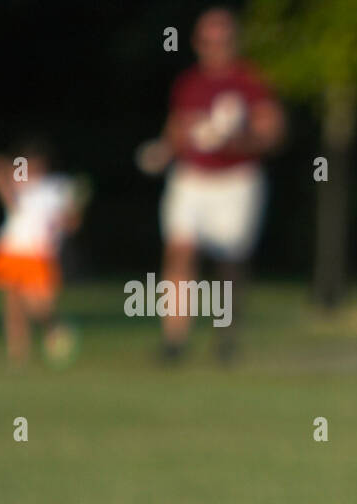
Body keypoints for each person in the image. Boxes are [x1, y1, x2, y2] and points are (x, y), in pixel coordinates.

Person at [137, 7, 284, 364]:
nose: (215, 46)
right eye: (208, 39)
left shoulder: (250, 81)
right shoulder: (189, 83)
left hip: (236, 180)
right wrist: (164, 150)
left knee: (230, 261)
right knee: (179, 250)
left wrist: (235, 139)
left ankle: (226, 338)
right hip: (192, 178)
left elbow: (273, 133)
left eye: (223, 39)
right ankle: (174, 341)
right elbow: (177, 130)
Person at [0, 141, 87, 369]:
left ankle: (55, 332)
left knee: (40, 305)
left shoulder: (58, 186)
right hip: (12, 248)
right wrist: (1, 180)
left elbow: (71, 219)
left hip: (40, 252)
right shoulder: (21, 183)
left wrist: (68, 222)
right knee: (13, 302)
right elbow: (10, 200)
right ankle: (18, 352)